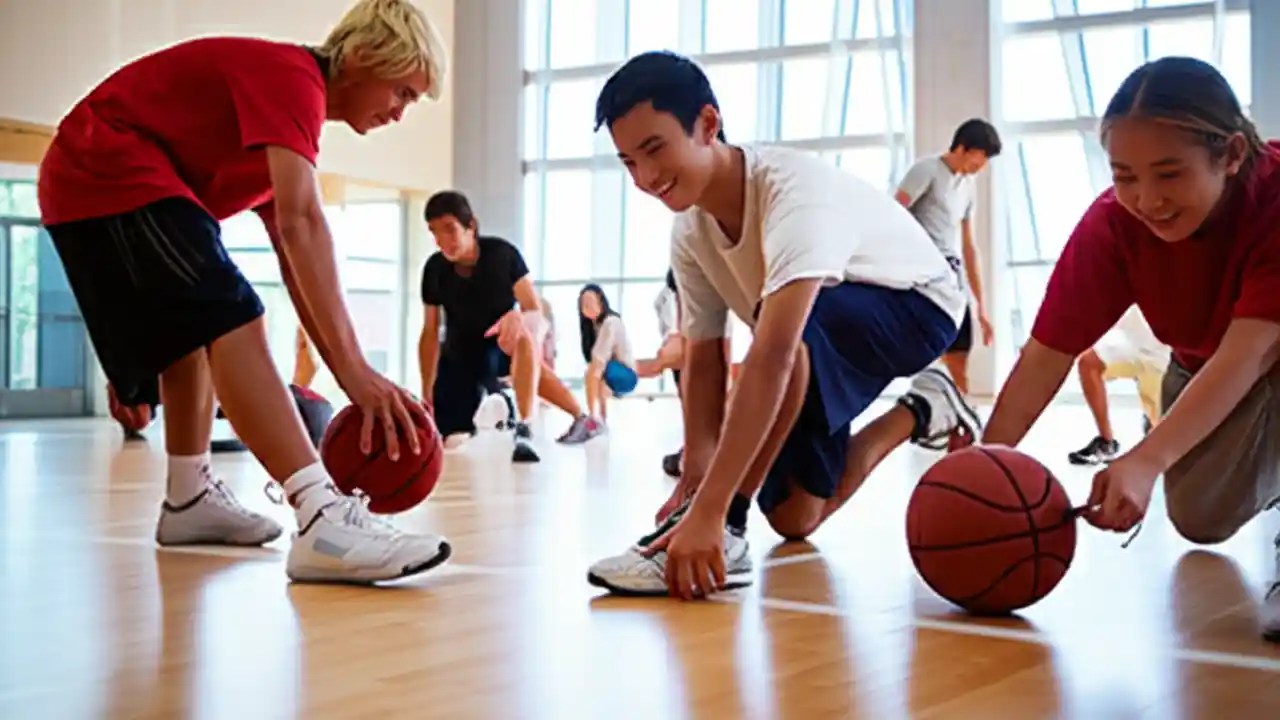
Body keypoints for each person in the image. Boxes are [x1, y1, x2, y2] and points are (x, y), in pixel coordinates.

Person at [38, 0, 453, 584]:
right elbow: (302, 222)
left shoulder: (277, 124)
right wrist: (356, 371)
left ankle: (187, 498)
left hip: (97, 178)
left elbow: (293, 259)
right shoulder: (292, 80)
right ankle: (321, 516)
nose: (400, 113)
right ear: (362, 57)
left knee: (197, 328)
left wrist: (347, 373)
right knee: (233, 315)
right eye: (402, 93)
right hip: (103, 163)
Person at [584, 50, 982, 599]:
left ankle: (728, 531)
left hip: (918, 305)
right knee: (797, 517)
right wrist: (696, 475)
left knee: (783, 346)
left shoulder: (794, 197)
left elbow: (774, 356)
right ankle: (922, 409)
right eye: (629, 162)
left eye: (655, 149)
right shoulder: (690, 231)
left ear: (707, 124)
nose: (647, 177)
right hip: (823, 326)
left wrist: (713, 509)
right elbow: (704, 357)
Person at [977, 57, 1280, 642]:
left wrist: (1144, 457)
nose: (1147, 199)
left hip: (1259, 350)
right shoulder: (1113, 226)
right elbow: (1045, 358)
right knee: (1199, 519)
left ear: (1233, 155)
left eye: (1169, 174)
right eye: (1124, 175)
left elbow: (1250, 353)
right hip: (1202, 363)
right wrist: (983, 466)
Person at [418, 191, 601, 462]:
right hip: (460, 355)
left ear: (472, 226)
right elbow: (430, 332)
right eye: (435, 233)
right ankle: (584, 419)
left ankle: (525, 428)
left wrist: (517, 317)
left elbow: (534, 309)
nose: (443, 241)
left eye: (450, 230)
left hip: (502, 343)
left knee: (523, 338)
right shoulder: (434, 269)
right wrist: (426, 393)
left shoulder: (502, 255)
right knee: (450, 438)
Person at [895, 119, 1001, 395]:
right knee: (926, 347)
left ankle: (961, 420)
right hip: (923, 274)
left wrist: (981, 307)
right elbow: (894, 213)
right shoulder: (926, 170)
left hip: (951, 275)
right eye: (982, 156)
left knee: (960, 351)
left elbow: (968, 246)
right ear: (963, 148)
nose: (983, 164)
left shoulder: (967, 186)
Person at [1068, 306, 1170, 465]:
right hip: (1129, 337)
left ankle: (1152, 421)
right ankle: (1106, 442)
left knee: (1164, 435)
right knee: (1088, 364)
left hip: (1162, 350)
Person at [578, 284, 638, 425]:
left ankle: (593, 418)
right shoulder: (591, 328)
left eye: (591, 301)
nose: (588, 306)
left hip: (625, 375)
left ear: (601, 301)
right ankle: (600, 419)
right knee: (596, 375)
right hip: (610, 372)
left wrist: (593, 372)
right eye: (584, 304)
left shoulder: (611, 322)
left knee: (593, 371)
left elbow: (599, 358)